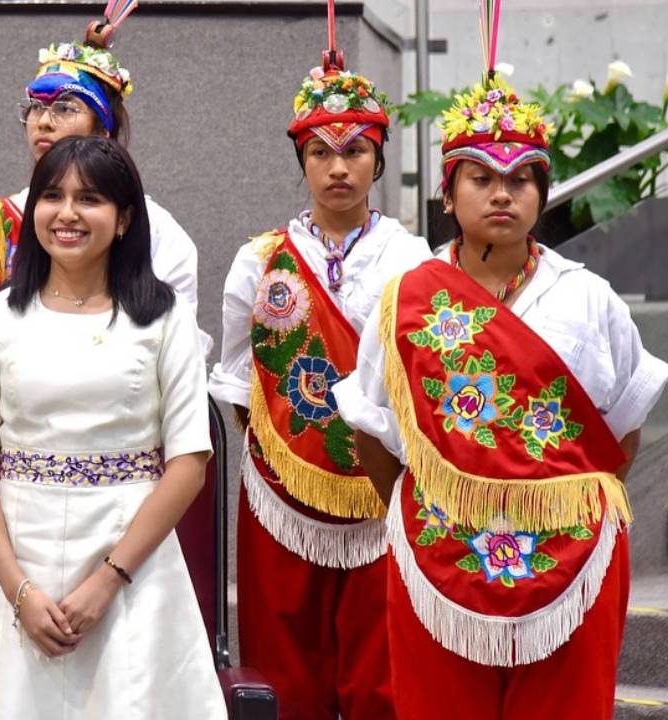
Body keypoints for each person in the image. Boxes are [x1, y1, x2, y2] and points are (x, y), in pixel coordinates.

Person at [330, 20, 668, 718]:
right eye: (481, 178)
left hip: (574, 553)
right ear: (449, 194)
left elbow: (624, 430)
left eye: (520, 180)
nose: (502, 194)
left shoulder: (587, 297)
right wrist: (432, 502)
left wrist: (556, 495)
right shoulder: (405, 299)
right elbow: (370, 428)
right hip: (437, 546)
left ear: (543, 194)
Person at [0, 135, 226, 719]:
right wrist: (18, 591)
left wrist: (108, 580)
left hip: (135, 568)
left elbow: (190, 461)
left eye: (89, 199)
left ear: (124, 218)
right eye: (52, 196)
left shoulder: (164, 319)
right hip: (18, 560)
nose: (67, 214)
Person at [208, 22, 429, 717]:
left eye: (355, 151)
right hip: (280, 494)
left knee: (379, 674)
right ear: (301, 160)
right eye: (320, 152)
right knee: (284, 668)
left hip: (385, 489)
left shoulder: (412, 259)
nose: (338, 168)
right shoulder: (259, 259)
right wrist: (286, 454)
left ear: (378, 159)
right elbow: (237, 378)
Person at [0, 0, 208, 355]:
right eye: (36, 106)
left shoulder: (155, 228)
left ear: (103, 131)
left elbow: (176, 345)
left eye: (65, 108)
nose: (44, 121)